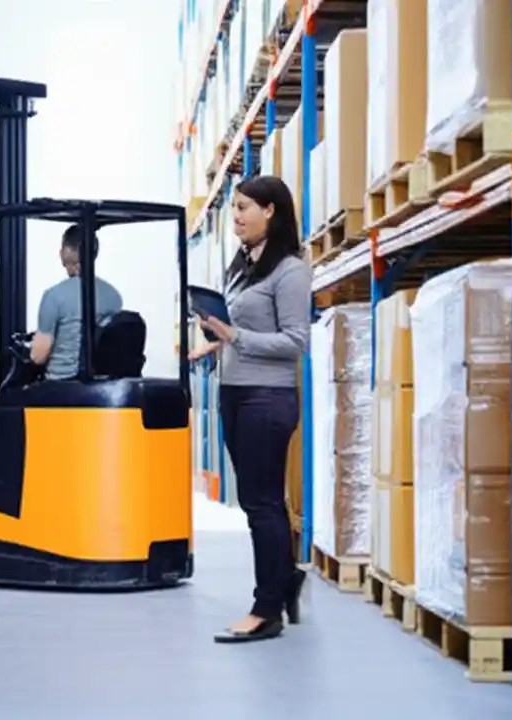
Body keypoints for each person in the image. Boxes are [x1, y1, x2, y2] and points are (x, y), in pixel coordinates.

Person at [189, 175, 311, 643]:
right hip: (235, 392)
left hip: (268, 398)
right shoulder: (241, 267)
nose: (236, 216)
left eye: (244, 208)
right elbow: (233, 330)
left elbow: (295, 342)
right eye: (234, 207)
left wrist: (235, 335)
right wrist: (211, 332)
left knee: (262, 504)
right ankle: (287, 579)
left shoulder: (290, 271)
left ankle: (267, 610)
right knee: (255, 501)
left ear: (271, 211)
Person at [31, 224, 124, 380]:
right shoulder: (114, 296)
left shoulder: (54, 296)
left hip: (60, 386)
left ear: (66, 252)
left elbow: (38, 357)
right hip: (100, 385)